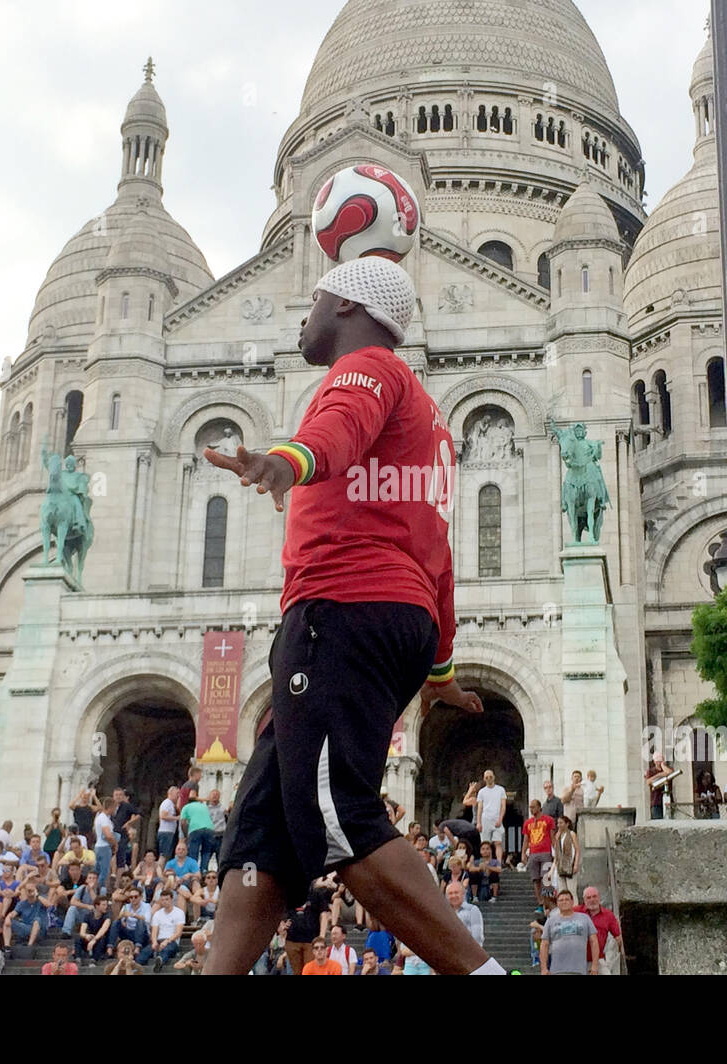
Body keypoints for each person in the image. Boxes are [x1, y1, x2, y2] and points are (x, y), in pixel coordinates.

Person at [204, 257, 498, 976]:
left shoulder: (366, 370)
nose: (303, 313)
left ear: (345, 305)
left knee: (336, 811)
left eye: (313, 299)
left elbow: (337, 426)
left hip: (340, 612)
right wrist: (441, 668)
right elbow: (437, 548)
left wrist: (289, 460)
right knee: (263, 829)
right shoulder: (428, 420)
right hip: (388, 619)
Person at [541, 889, 598, 976]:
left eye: (567, 899)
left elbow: (594, 942)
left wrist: (594, 965)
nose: (564, 902)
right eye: (561, 900)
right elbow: (544, 945)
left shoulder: (584, 918)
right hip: (557, 970)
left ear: (572, 902)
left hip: (580, 970)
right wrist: (544, 968)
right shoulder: (550, 921)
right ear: (557, 903)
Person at [580, 885, 624, 975]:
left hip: (599, 959)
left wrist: (616, 955)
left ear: (599, 897)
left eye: (594, 896)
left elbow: (618, 938)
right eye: (588, 897)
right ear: (584, 900)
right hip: (579, 960)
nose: (592, 900)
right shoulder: (577, 912)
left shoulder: (609, 915)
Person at [521, 799, 556, 905]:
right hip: (533, 853)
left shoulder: (549, 820)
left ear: (539, 807)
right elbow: (526, 839)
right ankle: (540, 902)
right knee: (535, 879)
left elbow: (552, 837)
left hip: (546, 852)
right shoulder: (528, 823)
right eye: (530, 807)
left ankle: (548, 902)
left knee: (546, 879)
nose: (531, 809)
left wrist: (557, 853)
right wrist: (523, 853)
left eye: (533, 807)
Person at [143, 893, 187, 971]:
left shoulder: (179, 913)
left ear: (172, 900)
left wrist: (167, 941)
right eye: (162, 900)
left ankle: (159, 961)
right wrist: (154, 942)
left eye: (167, 899)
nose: (164, 902)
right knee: (145, 951)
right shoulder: (157, 914)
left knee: (167, 949)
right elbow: (154, 931)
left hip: (172, 941)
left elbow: (178, 932)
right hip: (159, 940)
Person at [180, 792, 217, 873]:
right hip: (209, 829)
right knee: (206, 851)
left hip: (195, 829)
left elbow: (183, 822)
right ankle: (204, 871)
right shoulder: (203, 806)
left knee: (193, 851)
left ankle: (194, 872)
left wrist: (186, 835)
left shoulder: (186, 807)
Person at [476, 769, 508, 862]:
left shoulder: (500, 790)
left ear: (494, 777)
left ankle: (498, 863)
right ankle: (486, 863)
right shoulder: (481, 792)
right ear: (484, 779)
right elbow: (480, 808)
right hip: (485, 819)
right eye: (486, 777)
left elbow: (503, 806)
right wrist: (478, 822)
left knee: (498, 842)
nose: (489, 779)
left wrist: (500, 819)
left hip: (497, 819)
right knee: (485, 844)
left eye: (490, 777)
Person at [76, 896, 114, 966]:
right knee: (79, 938)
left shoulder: (107, 915)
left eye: (106, 905)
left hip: (102, 941)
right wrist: (86, 935)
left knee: (101, 938)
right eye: (103, 905)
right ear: (97, 906)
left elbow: (104, 929)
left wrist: (95, 939)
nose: (106, 907)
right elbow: (82, 931)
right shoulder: (88, 916)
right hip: (91, 939)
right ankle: (78, 959)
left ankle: (93, 960)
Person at [446, 880, 483, 947]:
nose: (453, 896)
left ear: (463, 894)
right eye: (450, 893)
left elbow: (477, 937)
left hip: (467, 952)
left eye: (456, 892)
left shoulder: (472, 910)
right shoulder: (445, 912)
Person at [93, 796, 118, 892]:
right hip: (104, 847)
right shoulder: (104, 819)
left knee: (97, 870)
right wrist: (115, 844)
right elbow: (108, 835)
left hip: (98, 846)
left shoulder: (100, 817)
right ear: (111, 807)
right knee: (104, 872)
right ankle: (99, 890)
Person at [555, 815, 580, 899]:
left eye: (561, 823)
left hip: (570, 864)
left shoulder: (572, 834)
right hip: (561, 866)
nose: (559, 825)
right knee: (562, 891)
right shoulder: (558, 835)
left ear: (567, 824)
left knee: (572, 891)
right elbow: (556, 852)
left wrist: (576, 864)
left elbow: (577, 850)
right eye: (558, 823)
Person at [646, 754, 674, 820]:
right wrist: (658, 775)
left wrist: (663, 766)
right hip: (656, 801)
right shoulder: (651, 771)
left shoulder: (667, 768)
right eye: (657, 761)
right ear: (654, 761)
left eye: (660, 761)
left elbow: (670, 773)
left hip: (668, 800)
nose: (659, 762)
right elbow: (648, 781)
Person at [157, 785, 180, 860]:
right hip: (166, 832)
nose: (178, 796)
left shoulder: (172, 804)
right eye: (177, 794)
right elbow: (163, 816)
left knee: (167, 854)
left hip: (169, 832)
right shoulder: (167, 803)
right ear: (170, 793)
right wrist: (176, 818)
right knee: (164, 855)